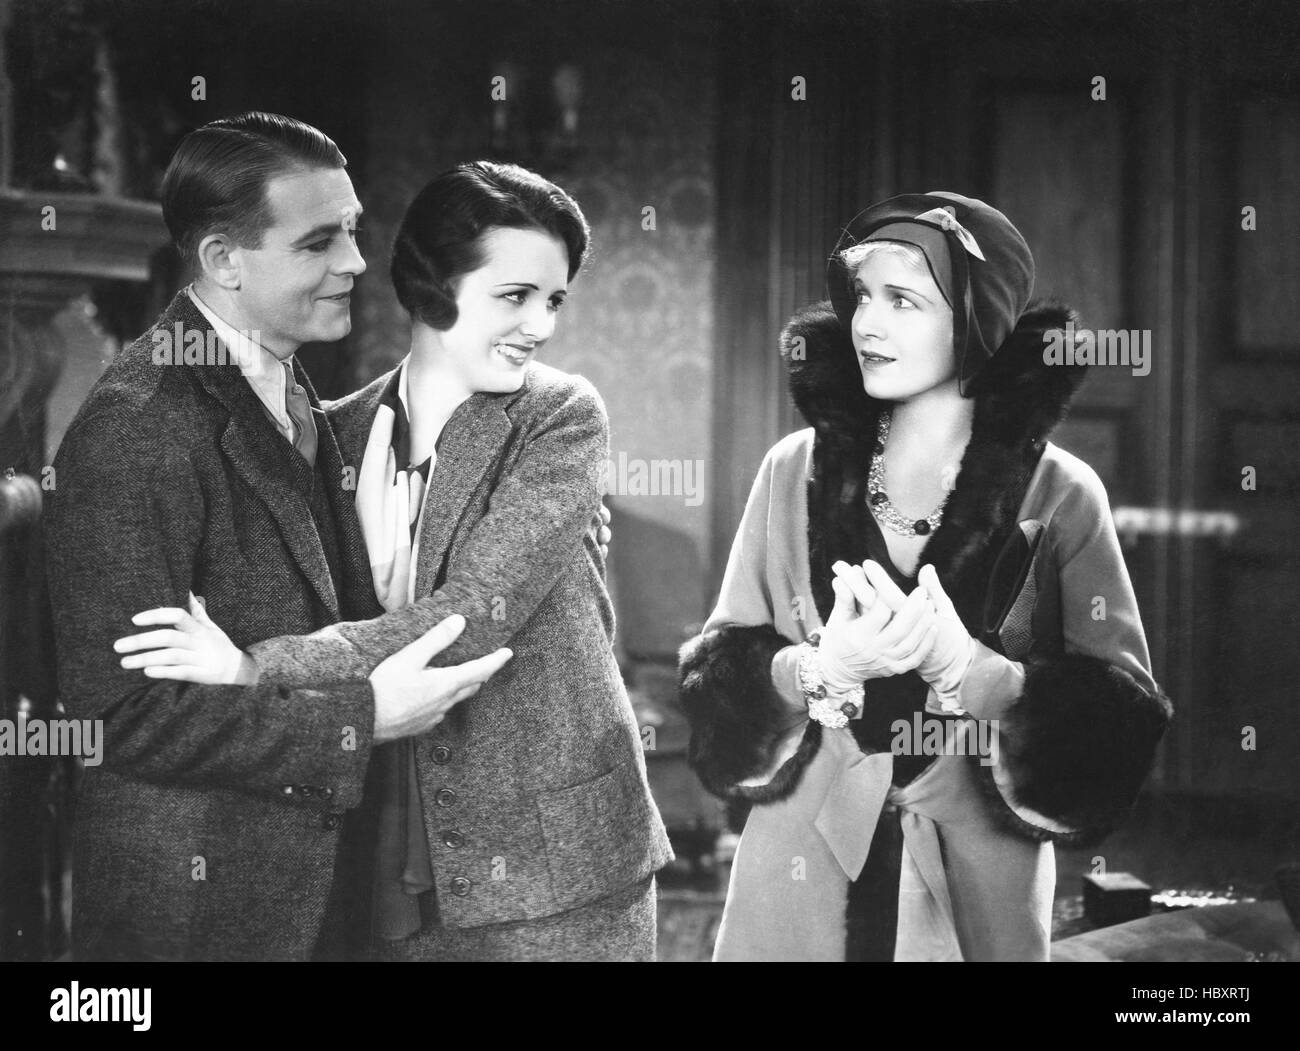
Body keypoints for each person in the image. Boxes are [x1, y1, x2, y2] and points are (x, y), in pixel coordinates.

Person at [116, 161, 673, 961]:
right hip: (389, 850)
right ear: (432, 283)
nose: (542, 324)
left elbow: (477, 612)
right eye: (514, 296)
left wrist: (253, 668)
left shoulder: (560, 416)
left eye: (554, 299)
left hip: (558, 866)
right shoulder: (331, 436)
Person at [43, 112, 527, 961]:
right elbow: (119, 716)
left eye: (352, 233)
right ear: (225, 261)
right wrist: (363, 717)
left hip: (308, 887)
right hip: (199, 914)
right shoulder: (139, 426)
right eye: (318, 243)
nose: (354, 263)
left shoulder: (285, 381)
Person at [677, 192, 1173, 961]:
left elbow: (1119, 724)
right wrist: (815, 668)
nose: (868, 322)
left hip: (978, 868)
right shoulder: (793, 470)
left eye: (902, 300)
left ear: (977, 323)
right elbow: (717, 673)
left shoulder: (1063, 492)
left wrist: (972, 672)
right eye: (862, 298)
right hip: (800, 859)